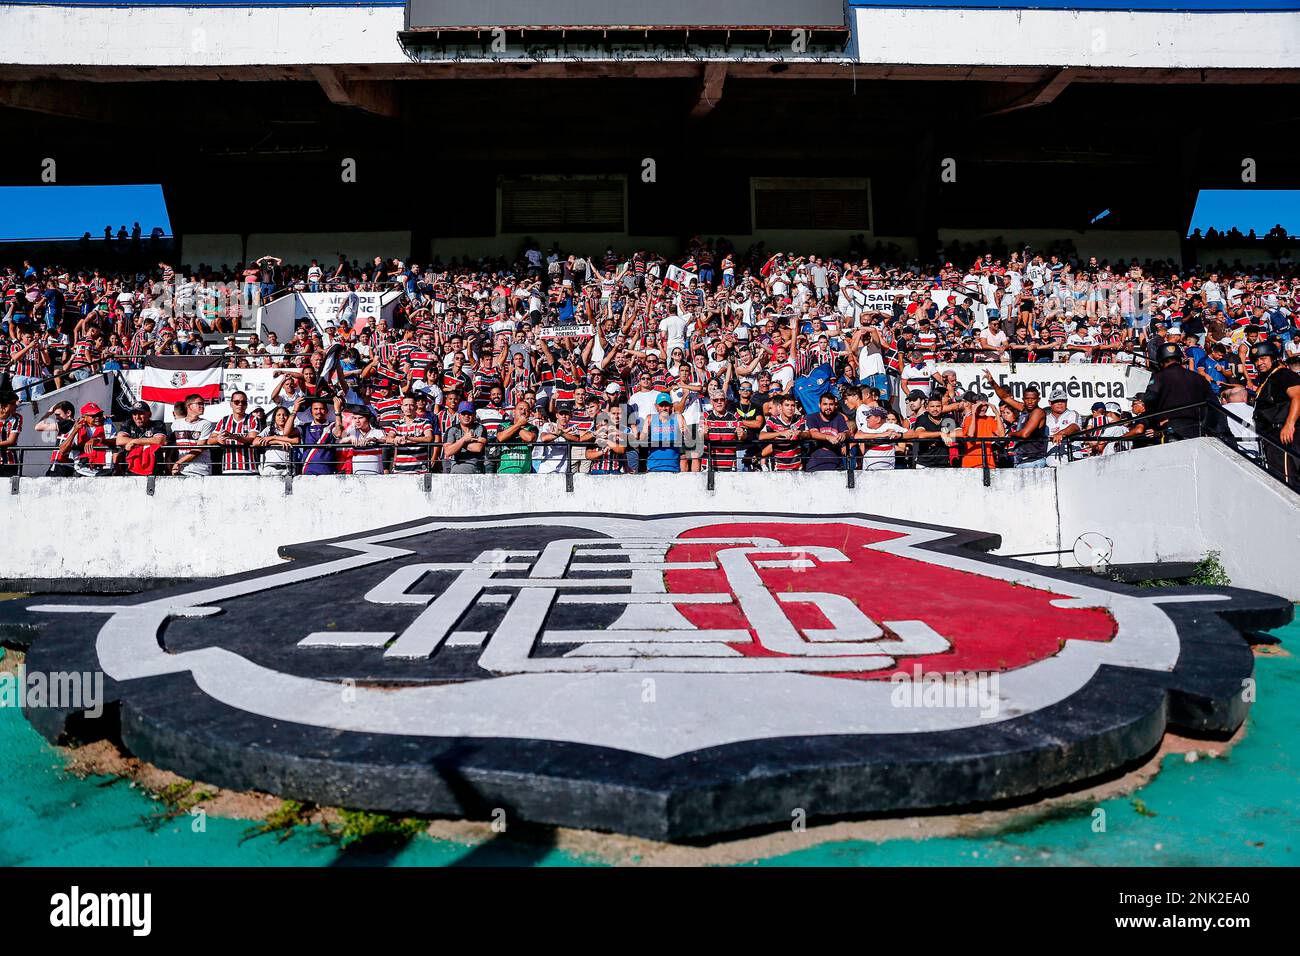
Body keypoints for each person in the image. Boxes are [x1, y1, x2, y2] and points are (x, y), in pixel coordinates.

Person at [1144, 342, 1216, 441]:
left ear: (1160, 362)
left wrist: (1155, 422)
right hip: (1197, 429)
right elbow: (1213, 404)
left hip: (1171, 429)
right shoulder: (1198, 378)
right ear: (1180, 359)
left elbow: (1149, 400)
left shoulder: (1158, 377)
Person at [1250, 341, 1300, 483]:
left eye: (1263, 358)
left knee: (1286, 480)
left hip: (1285, 434)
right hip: (1272, 436)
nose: (1259, 363)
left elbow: (1298, 396)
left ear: (1274, 358)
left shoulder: (1283, 374)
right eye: (1256, 360)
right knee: (1279, 478)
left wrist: (1289, 425)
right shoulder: (1267, 378)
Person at [984, 372, 1048, 468]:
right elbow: (1005, 397)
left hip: (1033, 460)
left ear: (1038, 399)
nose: (1030, 401)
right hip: (1021, 460)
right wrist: (993, 383)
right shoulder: (1024, 408)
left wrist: (1010, 434)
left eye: (1033, 399)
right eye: (1027, 399)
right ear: (1023, 399)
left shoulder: (1038, 412)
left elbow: (1024, 434)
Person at [115, 401, 167, 476]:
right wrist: (148, 441)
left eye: (141, 413)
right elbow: (119, 441)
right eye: (134, 414)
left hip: (154, 468)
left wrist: (135, 441)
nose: (137, 417)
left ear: (150, 414)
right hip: (130, 467)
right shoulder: (128, 424)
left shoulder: (157, 424)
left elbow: (160, 440)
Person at [169, 394, 215, 477]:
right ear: (189, 406)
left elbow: (199, 449)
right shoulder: (176, 424)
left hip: (201, 470)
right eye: (199, 404)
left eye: (203, 404)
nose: (202, 406)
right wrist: (170, 465)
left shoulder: (206, 424)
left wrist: (178, 462)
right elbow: (172, 448)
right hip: (181, 471)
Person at [804, 392, 850, 471]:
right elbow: (813, 433)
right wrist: (828, 437)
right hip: (816, 462)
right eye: (825, 404)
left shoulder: (839, 417)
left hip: (836, 462)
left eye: (831, 404)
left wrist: (844, 434)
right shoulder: (812, 417)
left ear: (835, 406)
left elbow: (848, 432)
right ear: (819, 405)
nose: (828, 407)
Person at [642, 393, 685, 473]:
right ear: (656, 406)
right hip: (653, 467)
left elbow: (688, 437)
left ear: (671, 406)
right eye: (661, 405)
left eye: (666, 405)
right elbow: (642, 439)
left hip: (673, 467)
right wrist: (645, 433)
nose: (664, 408)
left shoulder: (678, 418)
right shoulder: (650, 418)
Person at [856, 405, 907, 471]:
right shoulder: (865, 427)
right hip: (869, 472)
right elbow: (857, 436)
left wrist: (899, 435)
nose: (867, 419)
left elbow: (912, 433)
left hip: (889, 472)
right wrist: (882, 435)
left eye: (869, 417)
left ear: (878, 419)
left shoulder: (891, 426)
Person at [442, 400, 487, 474]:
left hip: (476, 472)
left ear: (474, 415)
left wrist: (457, 443)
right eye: (463, 413)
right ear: (459, 415)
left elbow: (478, 448)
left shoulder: (480, 428)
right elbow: (448, 451)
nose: (466, 416)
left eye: (469, 413)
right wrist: (464, 439)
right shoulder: (451, 430)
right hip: (456, 472)